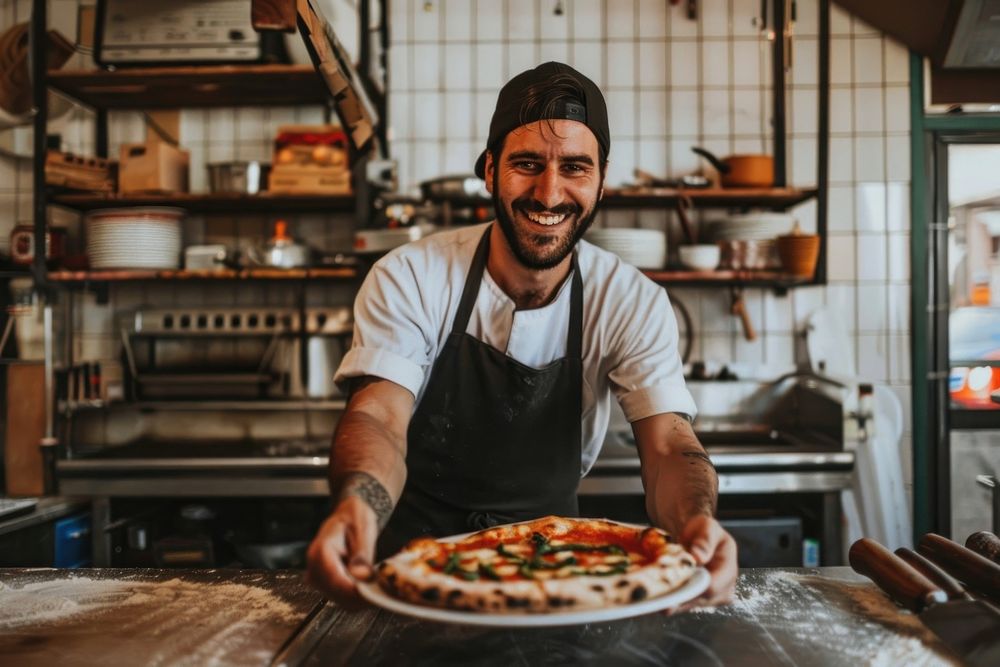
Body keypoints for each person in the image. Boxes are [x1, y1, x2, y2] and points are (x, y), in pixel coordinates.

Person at [306, 61, 737, 609]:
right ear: (490, 171)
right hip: (412, 570)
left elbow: (669, 446)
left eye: (575, 167)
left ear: (602, 180)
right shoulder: (411, 276)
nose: (549, 192)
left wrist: (697, 525)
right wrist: (357, 508)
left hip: (562, 571)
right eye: (527, 164)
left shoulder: (631, 300)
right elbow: (378, 417)